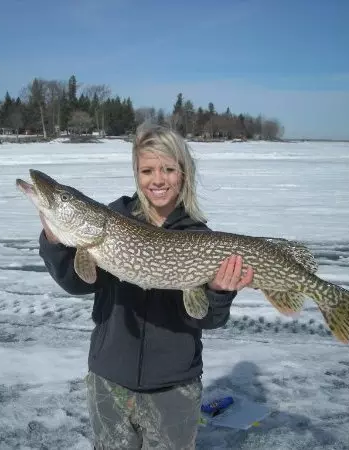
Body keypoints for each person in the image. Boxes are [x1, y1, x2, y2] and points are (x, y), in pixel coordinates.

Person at [38, 124, 254, 450]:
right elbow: (76, 283)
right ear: (136, 173)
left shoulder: (200, 235)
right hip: (110, 379)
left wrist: (219, 293)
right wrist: (55, 242)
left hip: (174, 388)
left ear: (183, 173)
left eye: (168, 169)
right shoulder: (116, 218)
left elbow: (208, 318)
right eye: (147, 170)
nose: (158, 179)